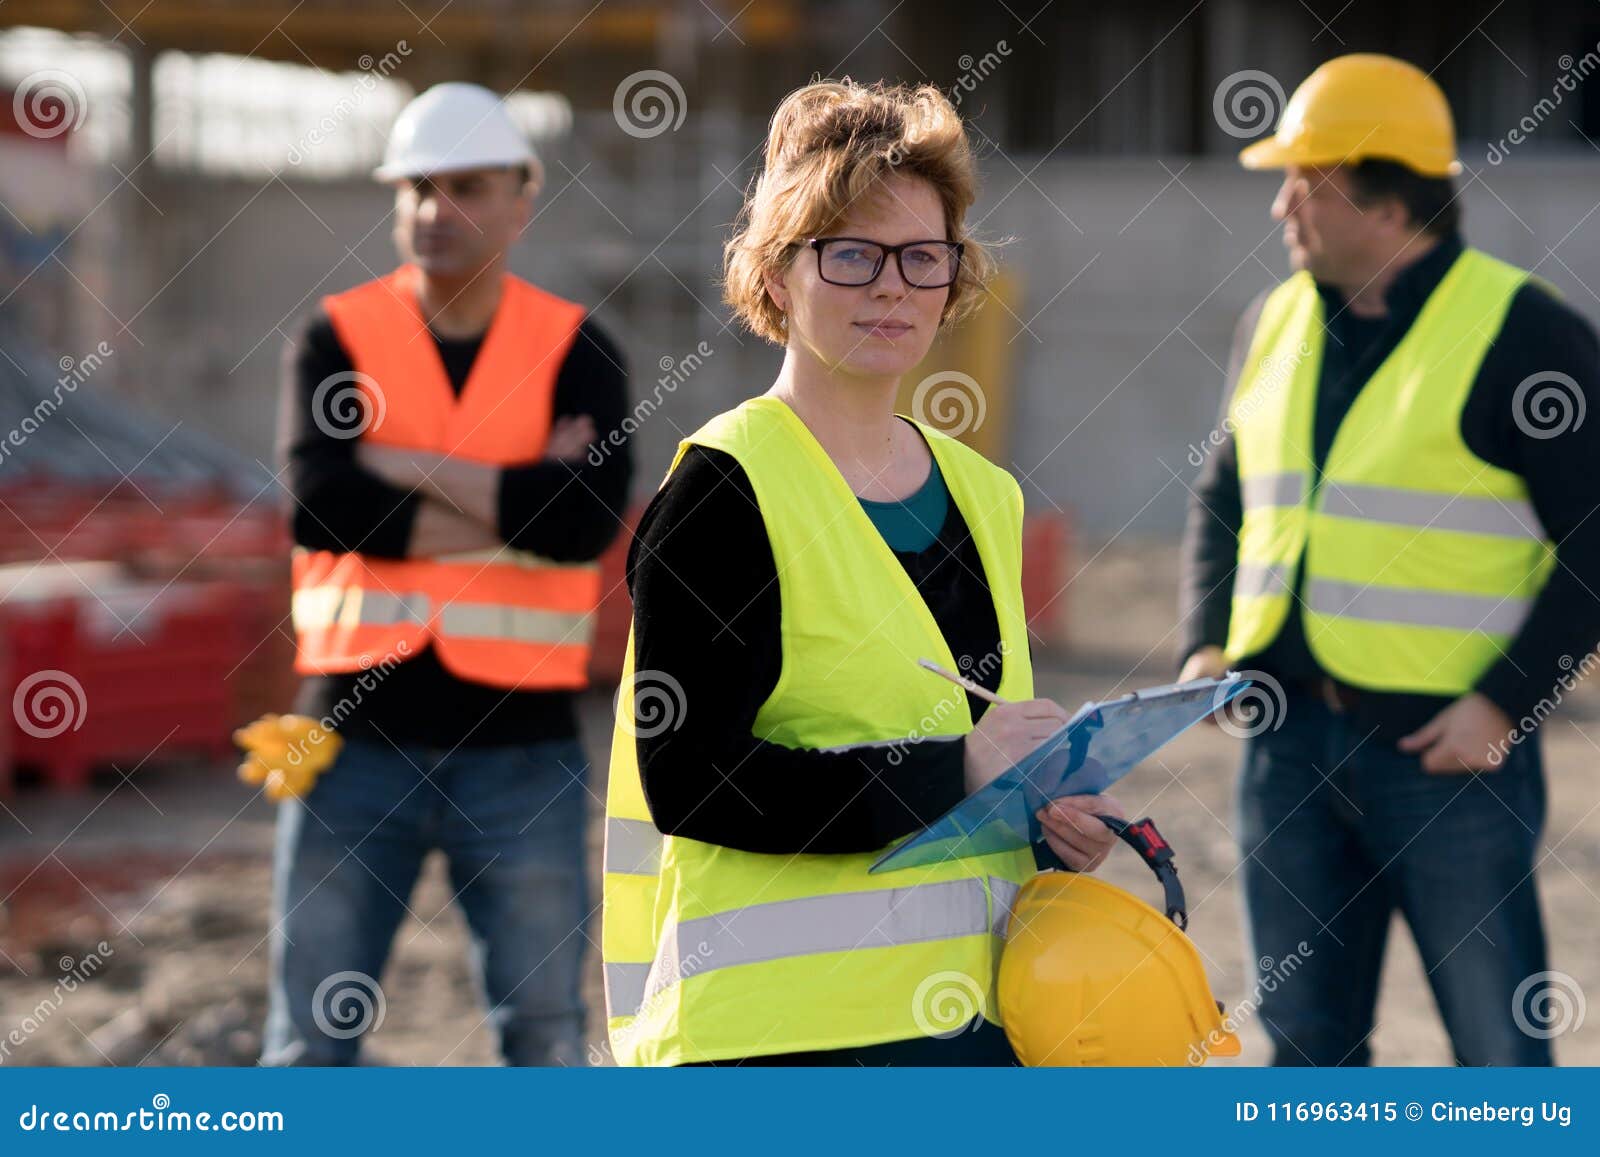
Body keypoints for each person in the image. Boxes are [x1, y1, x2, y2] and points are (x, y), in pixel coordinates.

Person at [600, 79, 1124, 1068]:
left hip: (975, 1018)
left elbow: (968, 750)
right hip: (780, 1042)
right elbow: (692, 780)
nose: (891, 285)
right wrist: (956, 768)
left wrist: (1041, 810)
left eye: (922, 257)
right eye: (850, 254)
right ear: (776, 274)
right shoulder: (725, 490)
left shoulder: (983, 494)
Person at [1178, 54, 1600, 1066]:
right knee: (1303, 1047)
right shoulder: (1271, 318)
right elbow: (1226, 494)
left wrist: (1504, 699)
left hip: (1442, 757)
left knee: (1498, 1047)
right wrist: (1205, 639)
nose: (1281, 204)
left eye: (1303, 178)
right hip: (1284, 748)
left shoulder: (1525, 332)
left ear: (1382, 191)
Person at [265, 82, 632, 1065]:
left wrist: (400, 461)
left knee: (547, 1038)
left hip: (521, 754)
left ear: (522, 196)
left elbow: (581, 526)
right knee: (306, 1044)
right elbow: (319, 507)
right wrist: (516, 499)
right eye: (417, 190)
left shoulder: (578, 350)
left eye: (465, 187)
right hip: (347, 742)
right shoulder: (336, 337)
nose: (436, 212)